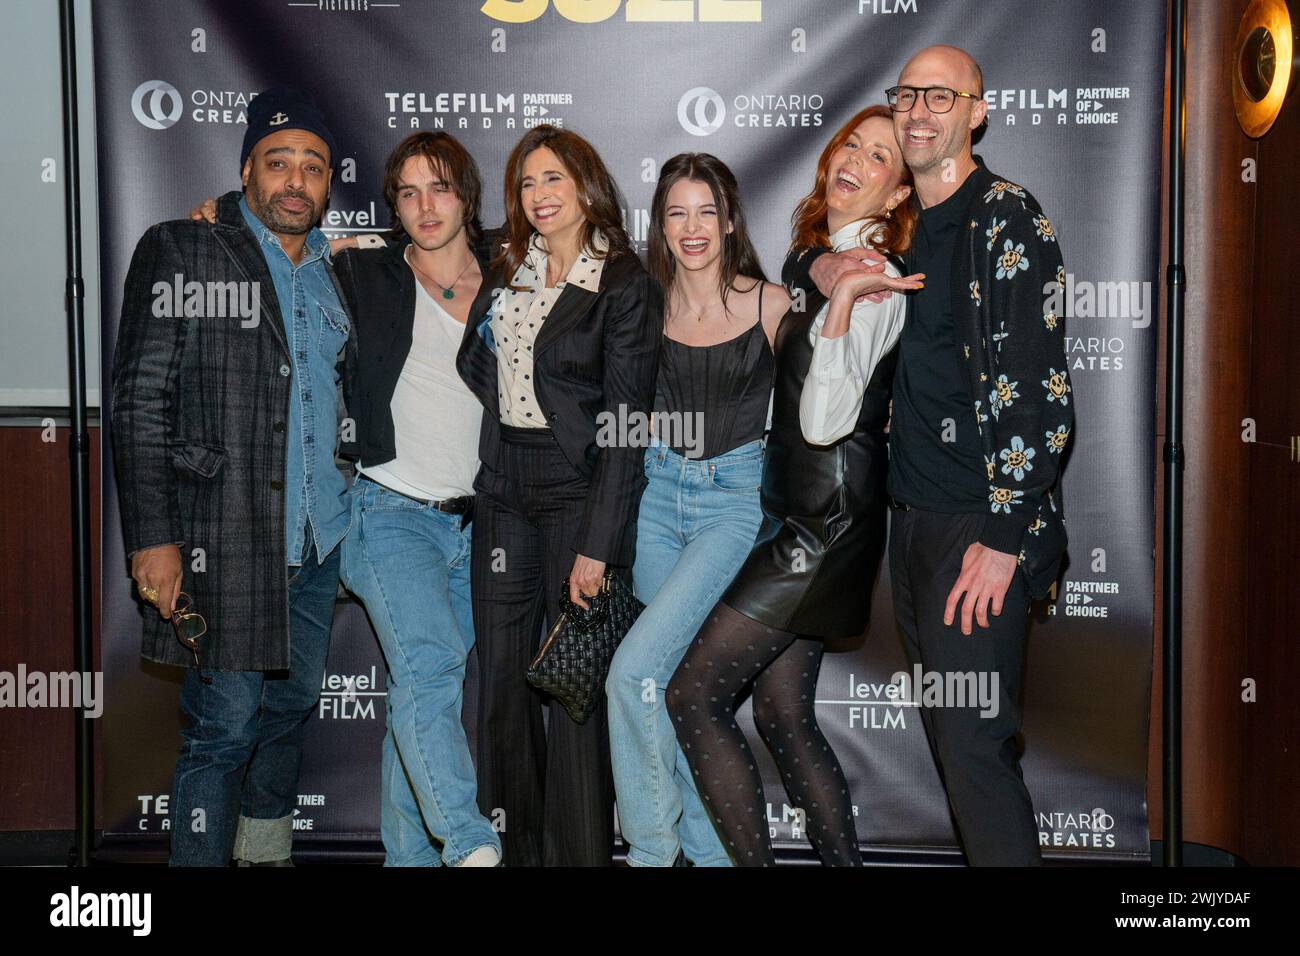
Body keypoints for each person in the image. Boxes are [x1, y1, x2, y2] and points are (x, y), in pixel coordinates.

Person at [785, 46, 1073, 866]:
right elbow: (805, 253)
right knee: (959, 751)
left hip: (979, 528)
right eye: (907, 93)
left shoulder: (1008, 216)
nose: (917, 110)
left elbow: (1042, 390)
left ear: (976, 111)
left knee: (977, 756)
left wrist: (1007, 534)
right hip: (910, 526)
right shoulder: (903, 229)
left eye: (940, 96)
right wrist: (818, 261)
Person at [667, 106, 923, 866]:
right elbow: (795, 268)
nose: (855, 159)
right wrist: (818, 273)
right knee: (782, 714)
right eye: (851, 144)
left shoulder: (874, 280)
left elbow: (821, 419)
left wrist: (841, 301)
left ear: (898, 195)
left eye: (880, 157)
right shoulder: (828, 253)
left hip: (821, 525)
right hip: (804, 515)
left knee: (693, 698)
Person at [113, 87, 351, 866]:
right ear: (246, 170)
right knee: (223, 731)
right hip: (225, 539)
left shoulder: (332, 274)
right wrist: (155, 541)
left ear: (327, 184)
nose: (295, 181)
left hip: (318, 542)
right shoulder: (182, 248)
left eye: (312, 169)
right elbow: (140, 401)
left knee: (287, 714)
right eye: (278, 163)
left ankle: (264, 856)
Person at [456, 124, 662, 866]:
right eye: (526, 184)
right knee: (504, 688)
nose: (538, 196)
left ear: (587, 185)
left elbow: (628, 425)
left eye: (552, 179)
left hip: (580, 490)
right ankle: (516, 852)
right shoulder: (506, 260)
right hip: (503, 485)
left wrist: (599, 547)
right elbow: (421, 232)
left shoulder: (626, 284)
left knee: (573, 695)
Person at [605, 153, 787, 867]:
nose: (692, 227)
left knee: (636, 675)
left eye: (706, 211)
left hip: (733, 505)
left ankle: (651, 855)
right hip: (655, 499)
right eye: (676, 212)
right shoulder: (642, 302)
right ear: (660, 223)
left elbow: (828, 402)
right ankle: (712, 859)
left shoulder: (772, 305)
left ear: (730, 218)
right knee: (675, 694)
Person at [331, 132, 503, 867]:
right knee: (430, 672)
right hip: (389, 511)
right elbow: (275, 255)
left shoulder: (511, 277)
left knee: (421, 693)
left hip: (479, 522)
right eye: (407, 191)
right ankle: (466, 841)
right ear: (392, 206)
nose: (425, 206)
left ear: (466, 194)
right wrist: (220, 217)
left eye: (439, 187)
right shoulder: (365, 272)